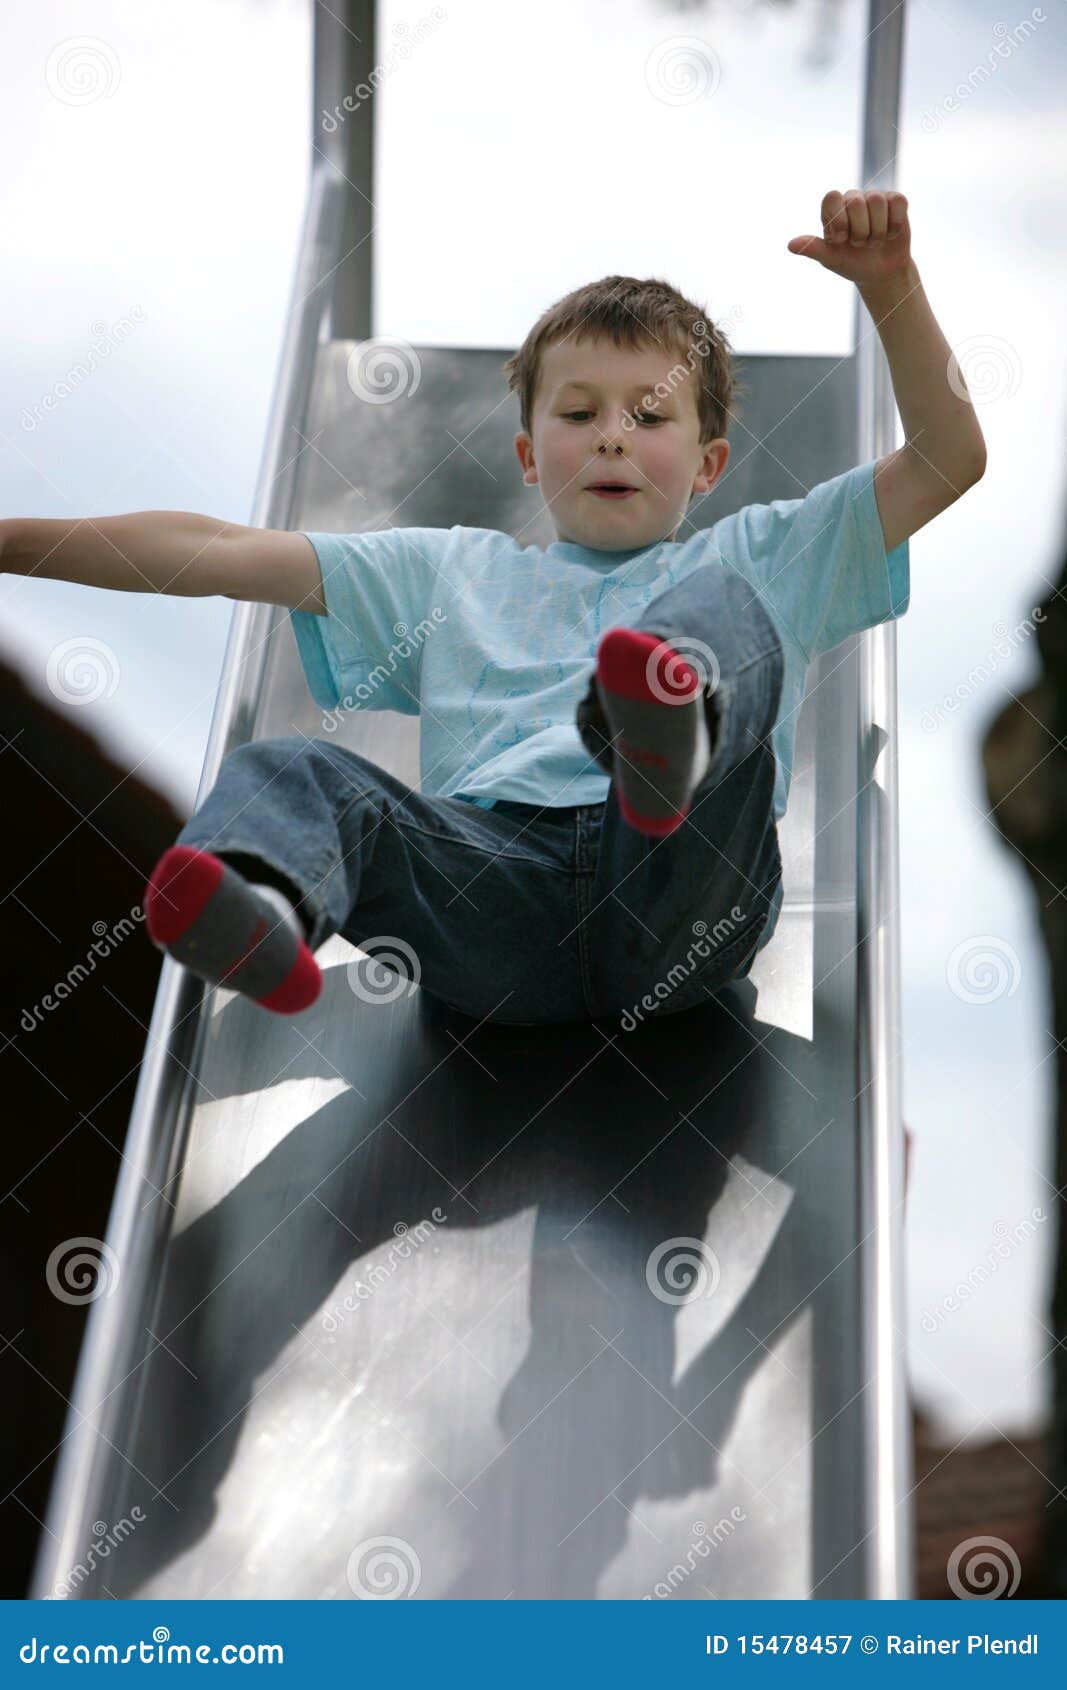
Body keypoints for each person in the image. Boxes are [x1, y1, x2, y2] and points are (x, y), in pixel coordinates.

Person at [3, 189, 986, 1025]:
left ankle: (666, 729)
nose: (611, 436)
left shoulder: (760, 554)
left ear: (706, 464)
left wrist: (890, 288)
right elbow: (219, 551)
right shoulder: (452, 575)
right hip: (489, 896)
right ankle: (262, 906)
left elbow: (948, 460)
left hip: (683, 895)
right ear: (528, 454)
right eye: (577, 413)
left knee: (724, 606)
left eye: (648, 415)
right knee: (291, 768)